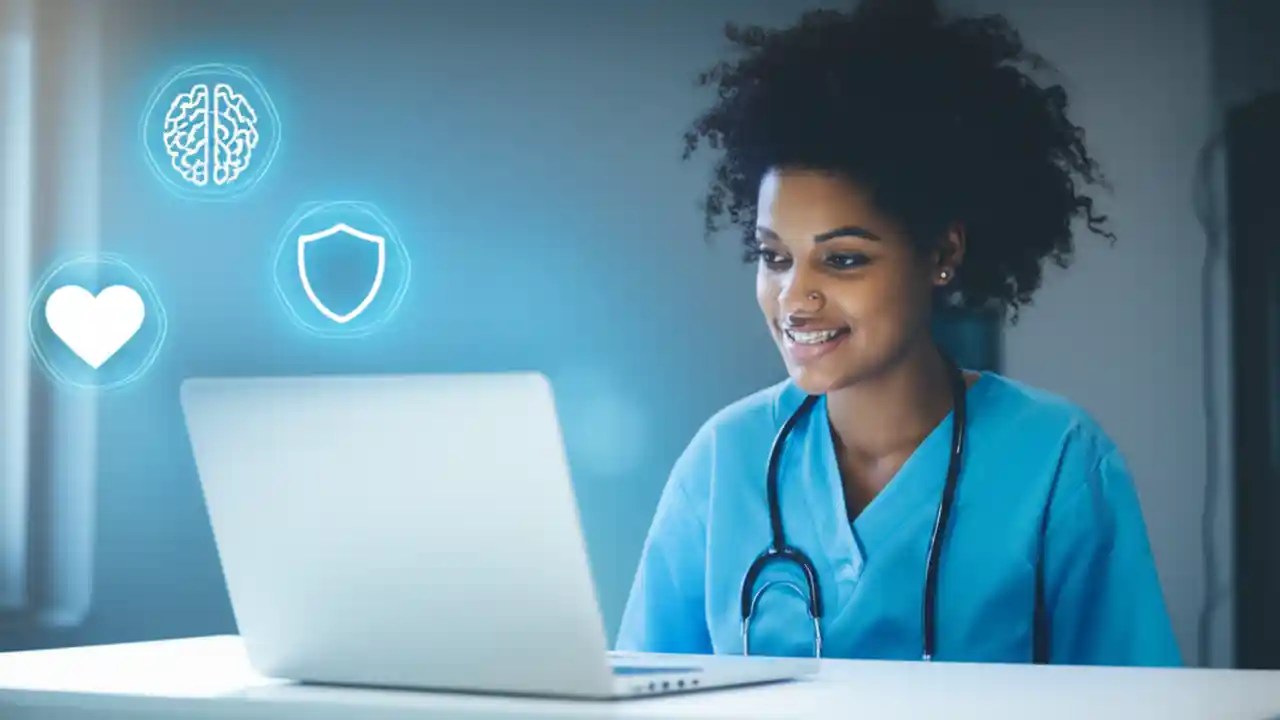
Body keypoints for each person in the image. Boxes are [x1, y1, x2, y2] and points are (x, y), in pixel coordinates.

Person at [615, 0, 1182, 666]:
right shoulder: (722, 462)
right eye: (774, 256)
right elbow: (638, 694)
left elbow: (1139, 703)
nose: (795, 297)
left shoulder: (1058, 462)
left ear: (941, 253)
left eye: (844, 258)